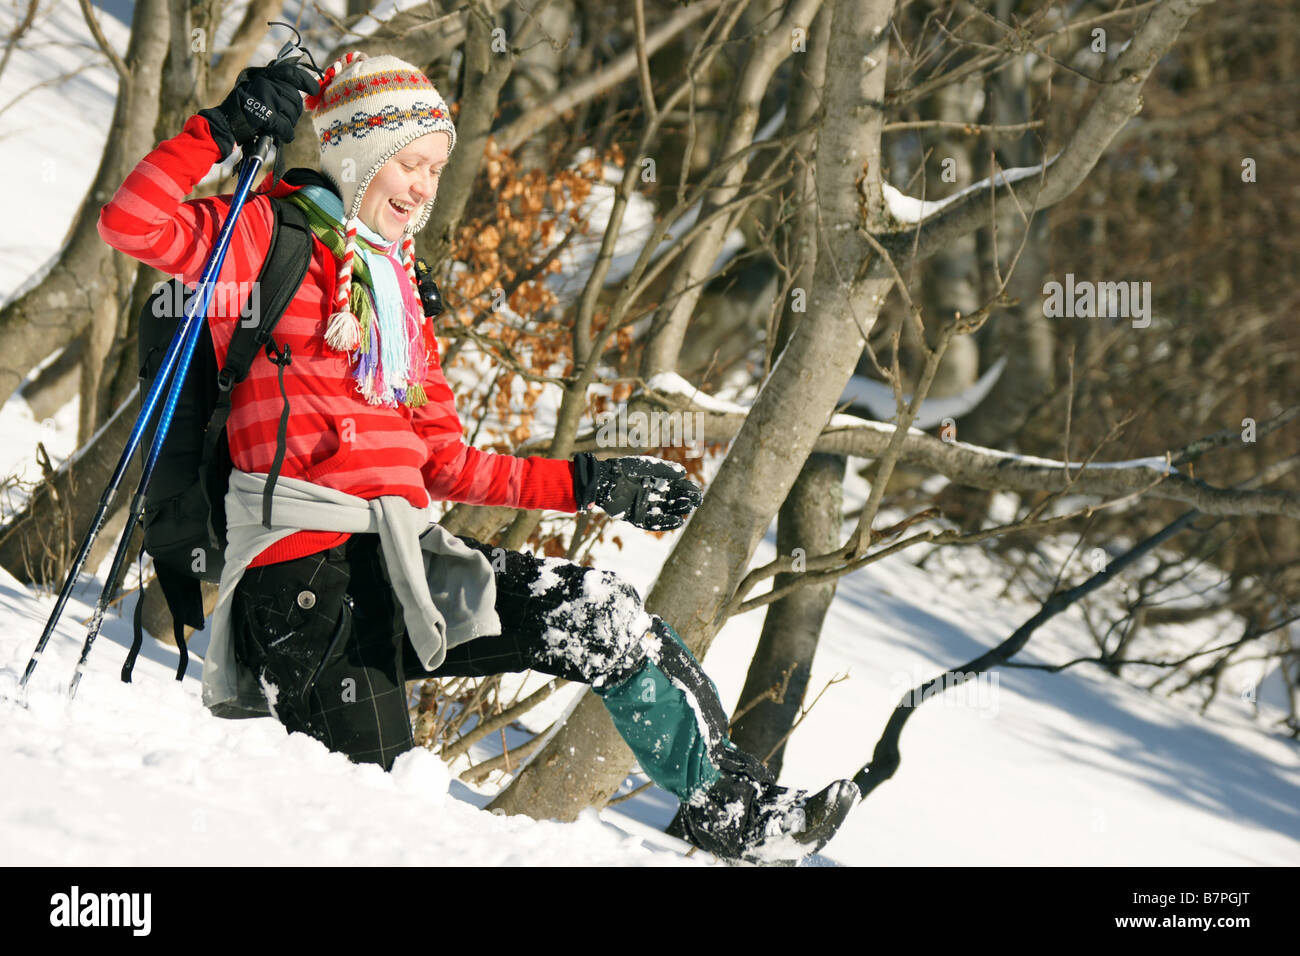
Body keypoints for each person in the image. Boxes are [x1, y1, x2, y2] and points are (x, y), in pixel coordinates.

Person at [97, 49, 857, 864]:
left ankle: (733, 811)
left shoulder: (398, 299)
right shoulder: (262, 240)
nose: (425, 187)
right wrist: (218, 131)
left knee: (600, 614)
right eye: (413, 163)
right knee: (377, 822)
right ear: (359, 151)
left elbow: (448, 466)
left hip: (403, 563)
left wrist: (592, 482)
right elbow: (131, 222)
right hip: (301, 587)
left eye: (435, 169)